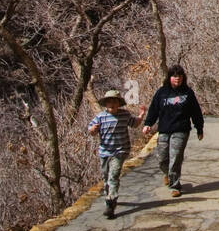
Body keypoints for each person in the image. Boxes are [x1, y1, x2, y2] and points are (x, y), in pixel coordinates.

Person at [142, 65, 204, 197]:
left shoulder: (187, 93)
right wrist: (148, 124)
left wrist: (199, 128)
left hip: (181, 130)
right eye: (175, 76)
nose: (178, 79)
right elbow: (154, 109)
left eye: (180, 76)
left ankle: (175, 185)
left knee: (175, 157)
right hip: (164, 129)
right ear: (170, 77)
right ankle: (167, 174)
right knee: (162, 158)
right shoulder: (162, 92)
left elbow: (196, 111)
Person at [87, 89, 145, 219]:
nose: (112, 104)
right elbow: (91, 130)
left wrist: (141, 115)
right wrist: (93, 129)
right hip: (105, 152)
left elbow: (134, 124)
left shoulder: (124, 115)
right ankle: (109, 197)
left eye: (115, 101)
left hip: (121, 150)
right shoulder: (101, 117)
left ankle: (111, 203)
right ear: (105, 104)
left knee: (113, 175)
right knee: (106, 177)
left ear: (119, 103)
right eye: (109, 101)